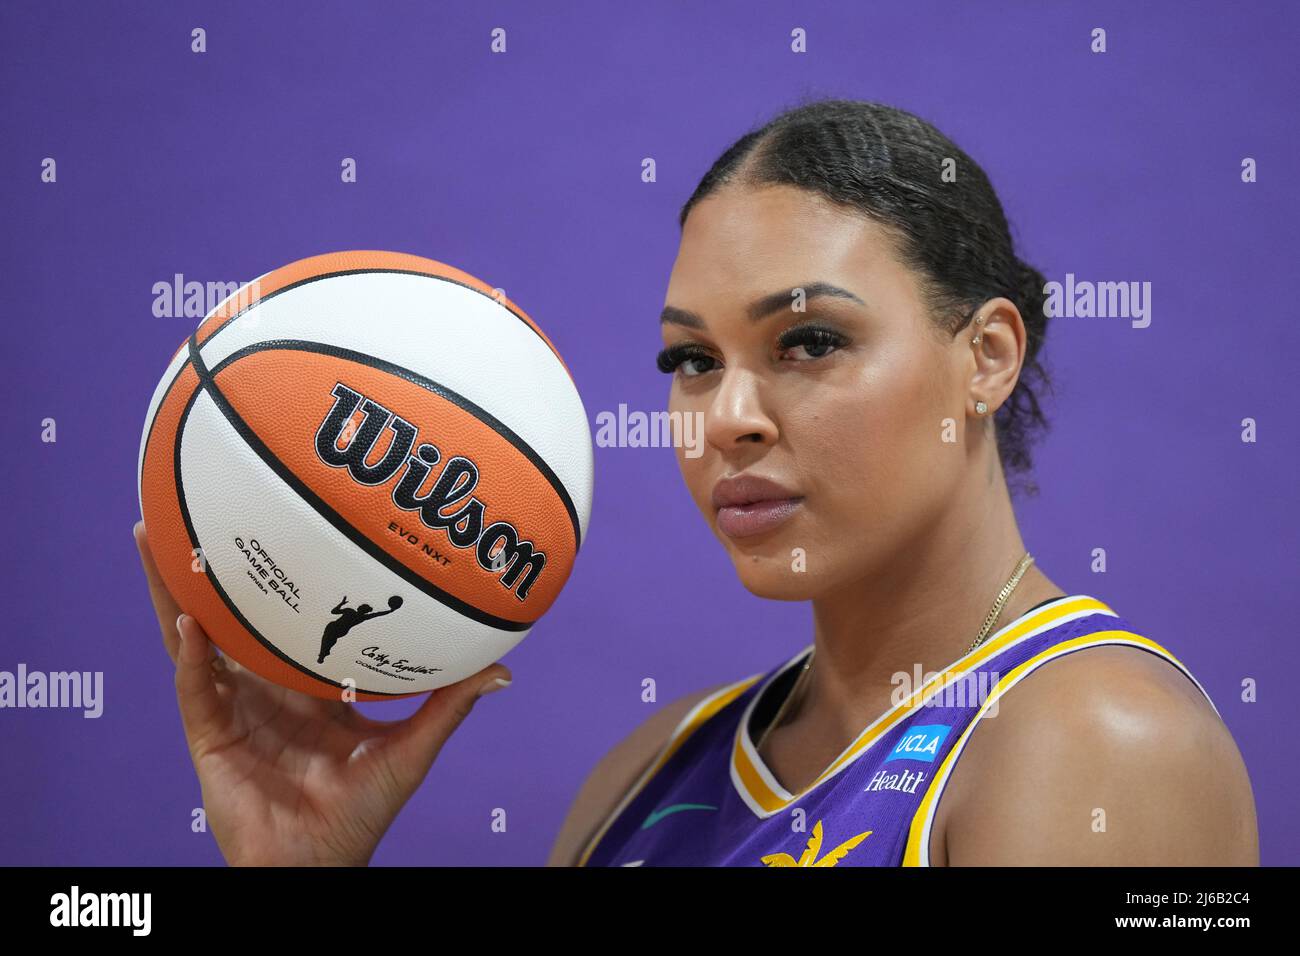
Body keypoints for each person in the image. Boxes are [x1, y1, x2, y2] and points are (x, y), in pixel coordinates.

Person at [134, 98, 1257, 867]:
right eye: (690, 360)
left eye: (809, 341)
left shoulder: (1103, 741)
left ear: (986, 356)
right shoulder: (650, 771)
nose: (726, 417)